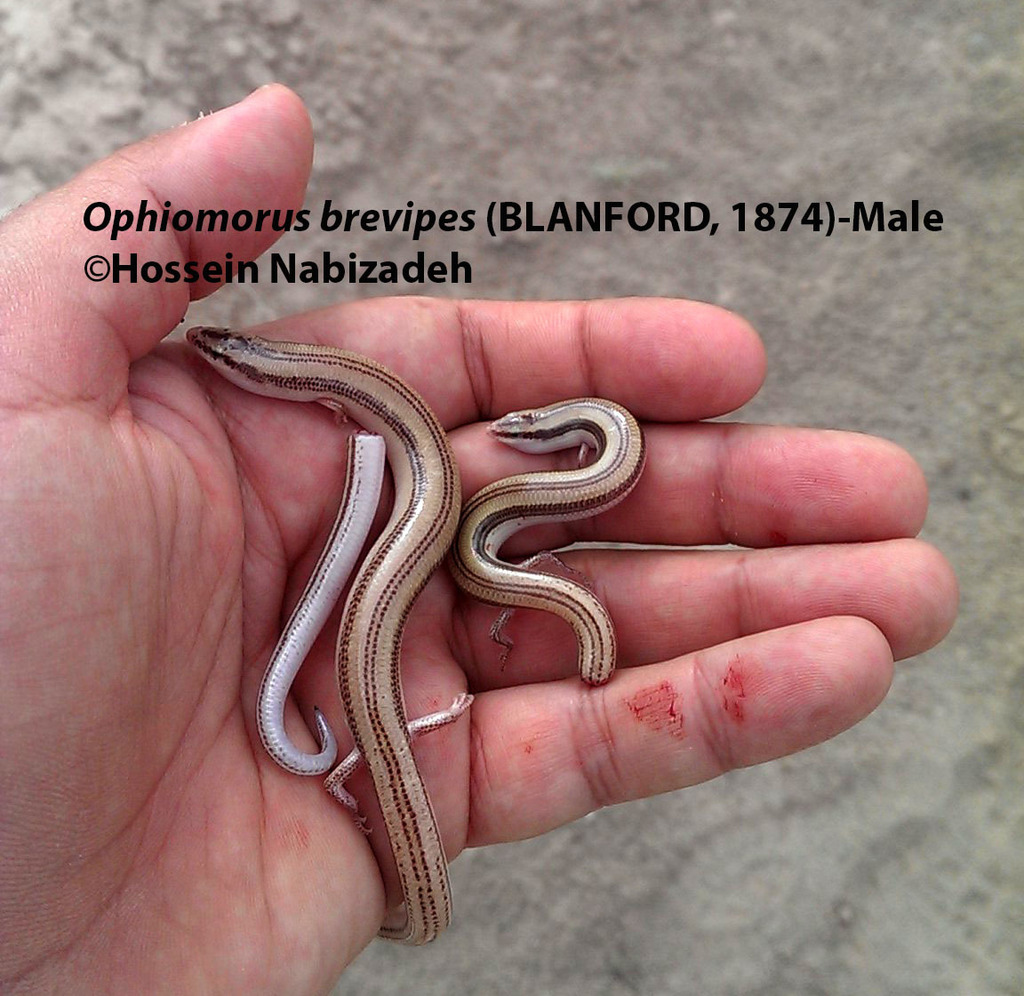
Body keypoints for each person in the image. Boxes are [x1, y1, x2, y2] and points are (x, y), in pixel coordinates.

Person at [0, 85, 957, 993]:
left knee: (413, 647)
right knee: (397, 706)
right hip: (422, 527)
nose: (219, 356)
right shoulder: (319, 399)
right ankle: (415, 897)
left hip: (440, 521)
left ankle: (420, 892)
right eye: (225, 358)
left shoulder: (357, 412)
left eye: (230, 355)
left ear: (279, 378)